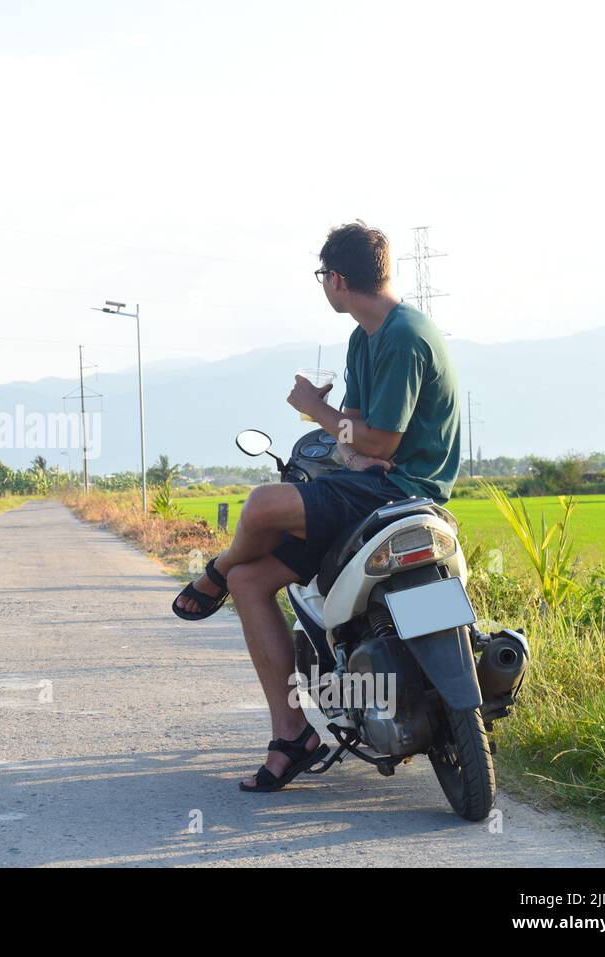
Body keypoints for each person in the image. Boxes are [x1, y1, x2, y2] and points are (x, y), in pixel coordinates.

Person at [171, 221, 462, 793]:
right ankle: (293, 735)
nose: (322, 285)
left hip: (400, 493)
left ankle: (215, 573)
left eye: (320, 277)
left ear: (336, 279)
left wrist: (313, 410)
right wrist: (349, 441)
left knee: (258, 507)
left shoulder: (403, 335)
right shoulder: (365, 336)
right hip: (371, 487)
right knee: (255, 584)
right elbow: (357, 439)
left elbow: (374, 442)